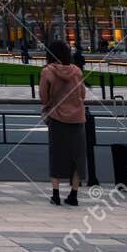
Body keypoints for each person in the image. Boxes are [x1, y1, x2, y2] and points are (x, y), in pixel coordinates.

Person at [39, 41, 87, 206]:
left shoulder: (47, 71)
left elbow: (44, 98)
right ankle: (74, 194)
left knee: (57, 155)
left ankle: (56, 194)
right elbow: (82, 93)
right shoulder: (77, 71)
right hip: (78, 117)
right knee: (77, 157)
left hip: (57, 117)